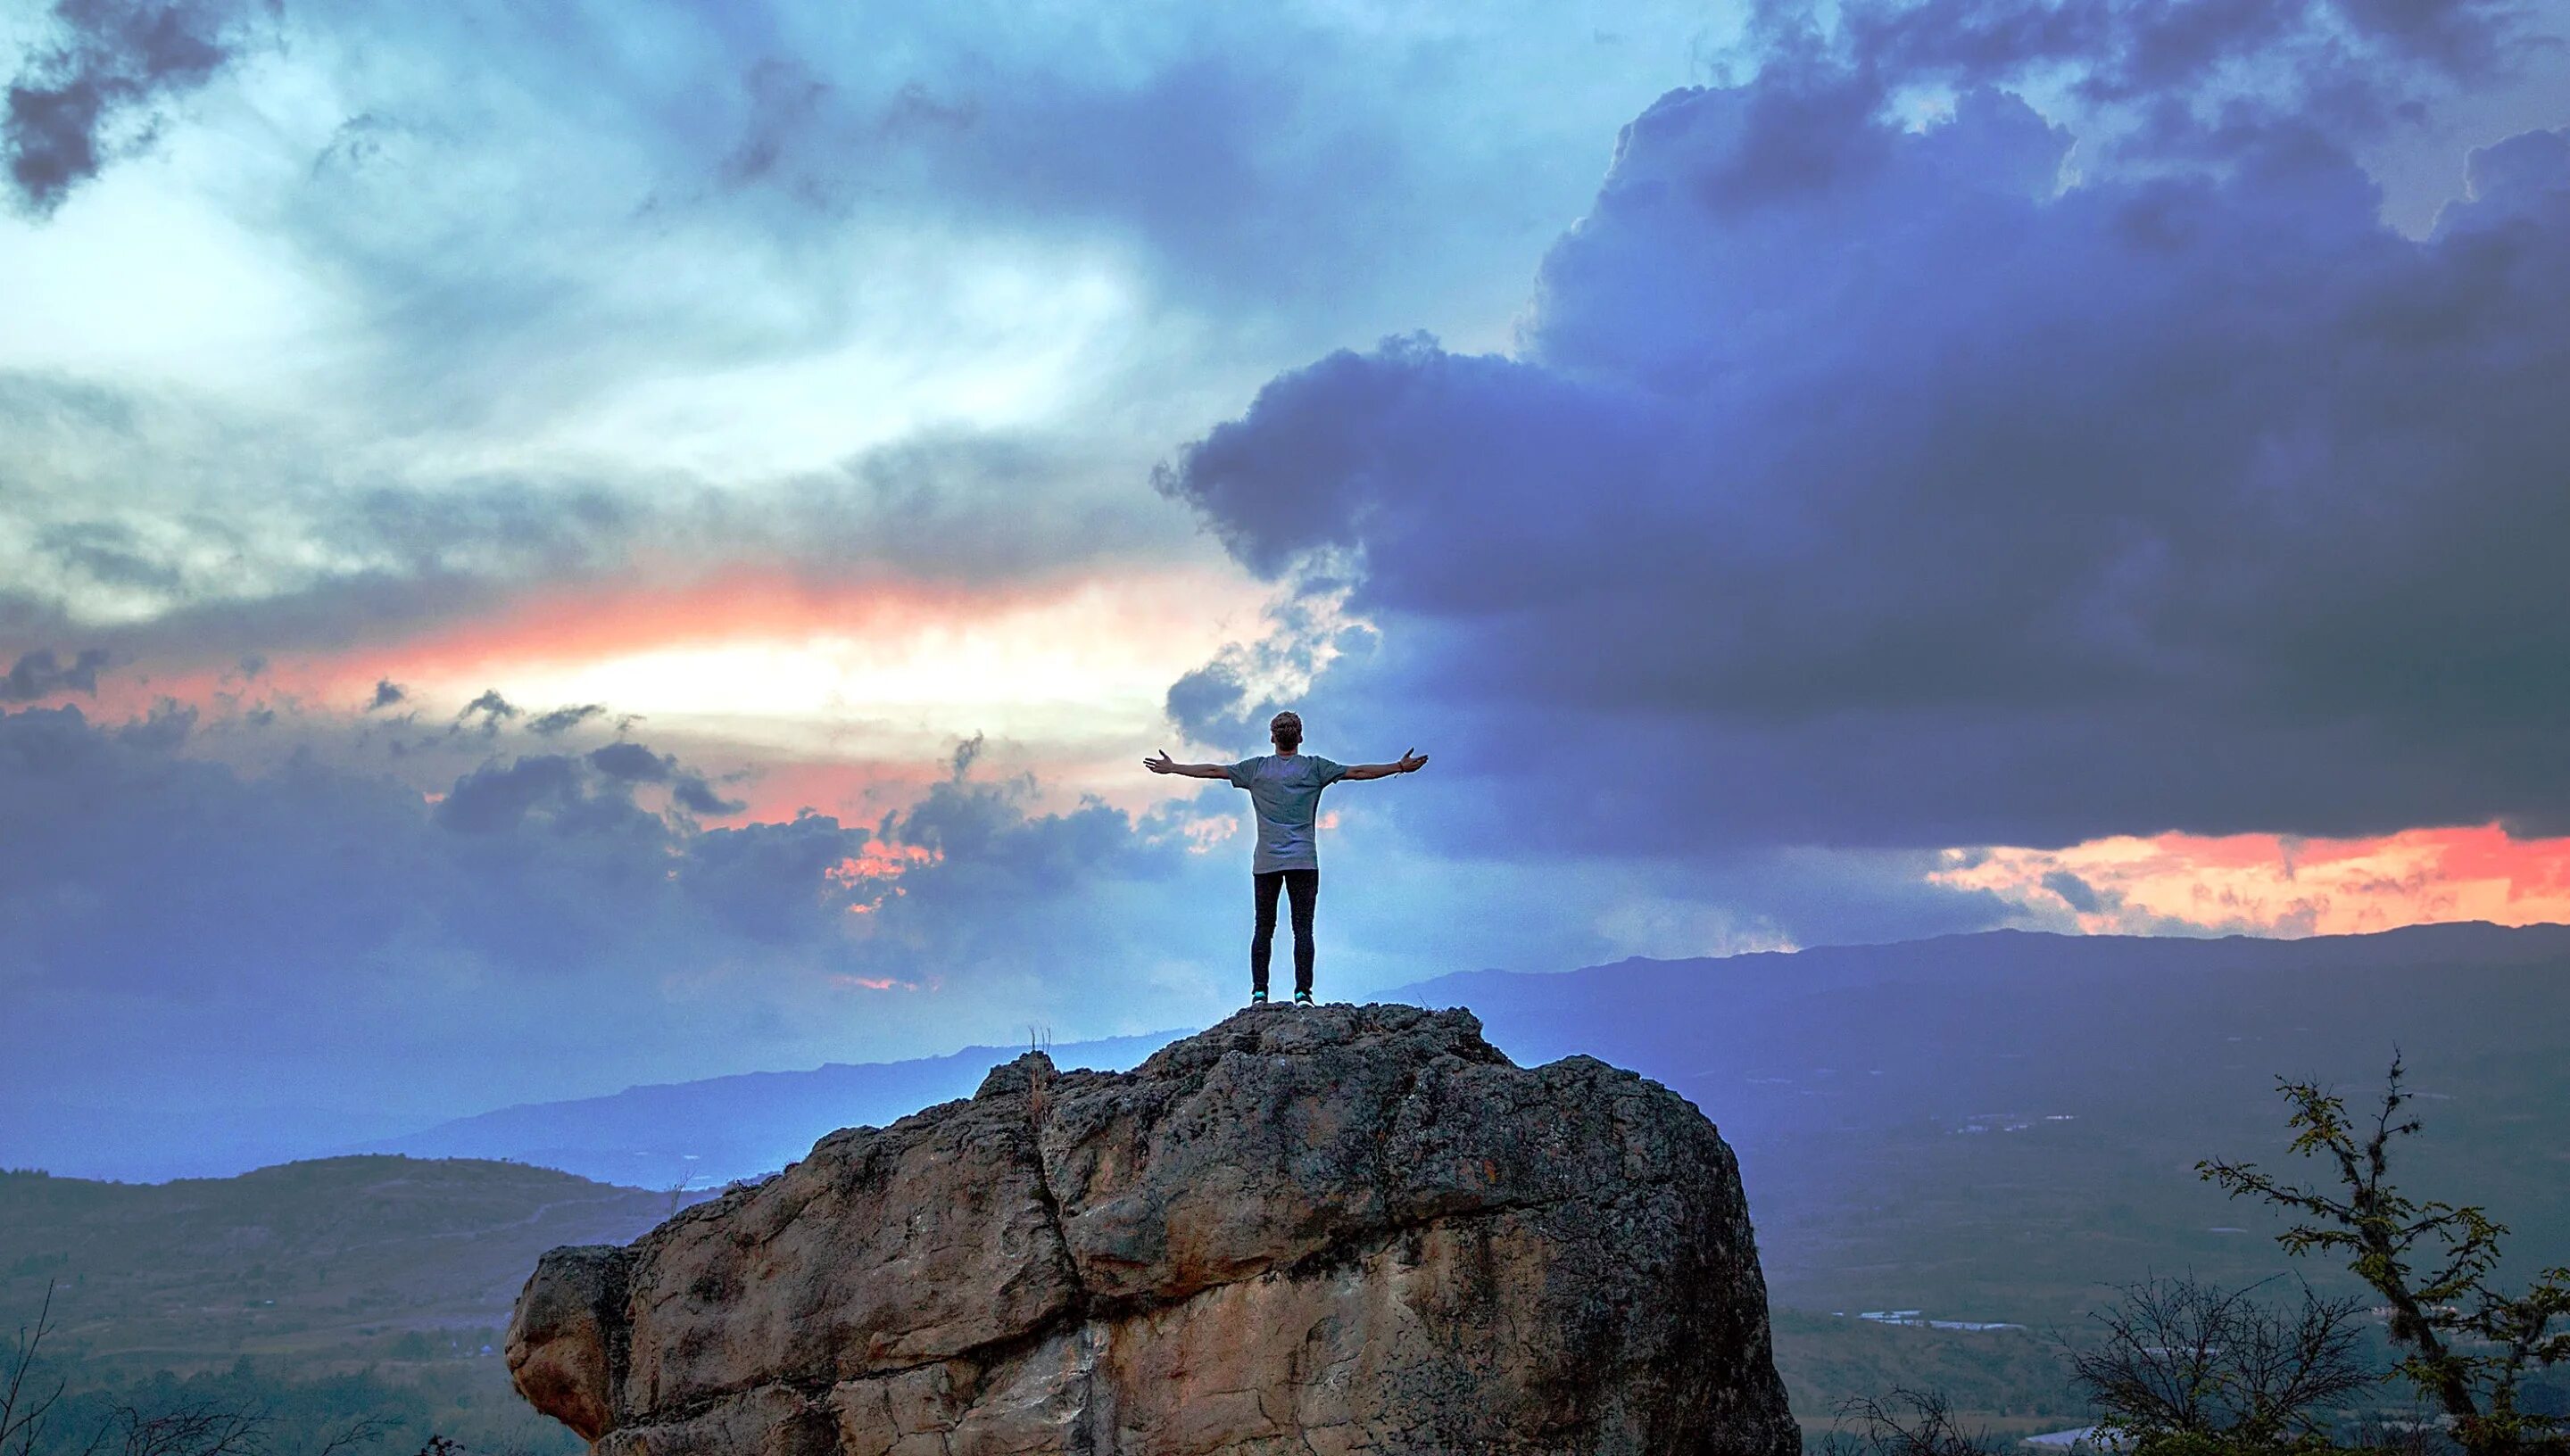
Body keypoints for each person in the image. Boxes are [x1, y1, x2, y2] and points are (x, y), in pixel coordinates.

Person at [1144, 711, 1427, 1006]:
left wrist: (1174, 768)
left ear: (1272, 738)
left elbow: (1213, 771)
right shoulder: (1316, 768)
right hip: (1304, 860)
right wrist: (1399, 767)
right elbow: (1358, 772)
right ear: (1300, 737)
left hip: (1266, 861)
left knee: (1263, 928)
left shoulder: (1256, 770)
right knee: (1303, 928)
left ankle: (1259, 993)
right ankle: (1303, 993)